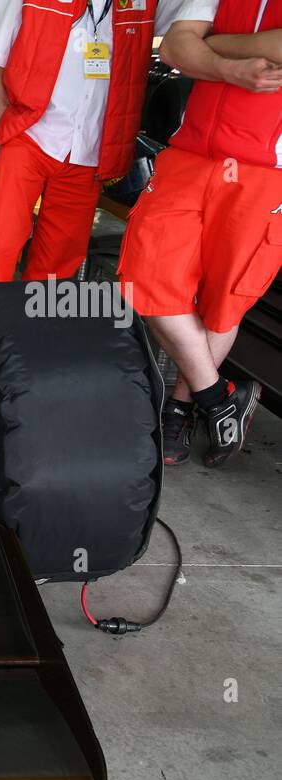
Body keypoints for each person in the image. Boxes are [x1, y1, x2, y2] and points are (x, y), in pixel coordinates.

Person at [118, 0, 282, 467]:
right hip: (190, 154)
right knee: (145, 279)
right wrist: (231, 70)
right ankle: (219, 399)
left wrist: (210, 48)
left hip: (268, 169)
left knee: (223, 298)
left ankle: (179, 410)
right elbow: (173, 46)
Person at [0, 0, 210, 281]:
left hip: (90, 151)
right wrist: (7, 127)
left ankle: (36, 322)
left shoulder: (145, 4)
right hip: (28, 137)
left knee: (58, 263)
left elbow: (194, 13)